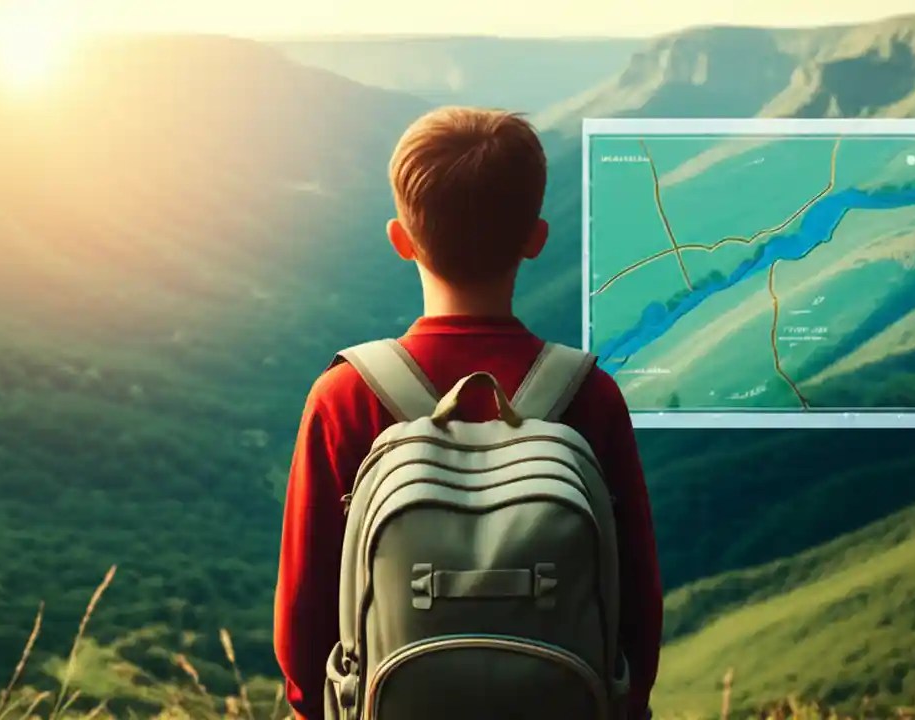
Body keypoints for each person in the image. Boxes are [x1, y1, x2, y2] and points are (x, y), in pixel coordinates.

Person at [274, 106, 662, 719]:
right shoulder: (589, 397)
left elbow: (302, 632)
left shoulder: (346, 398)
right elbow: (636, 617)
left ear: (400, 240)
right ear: (537, 240)